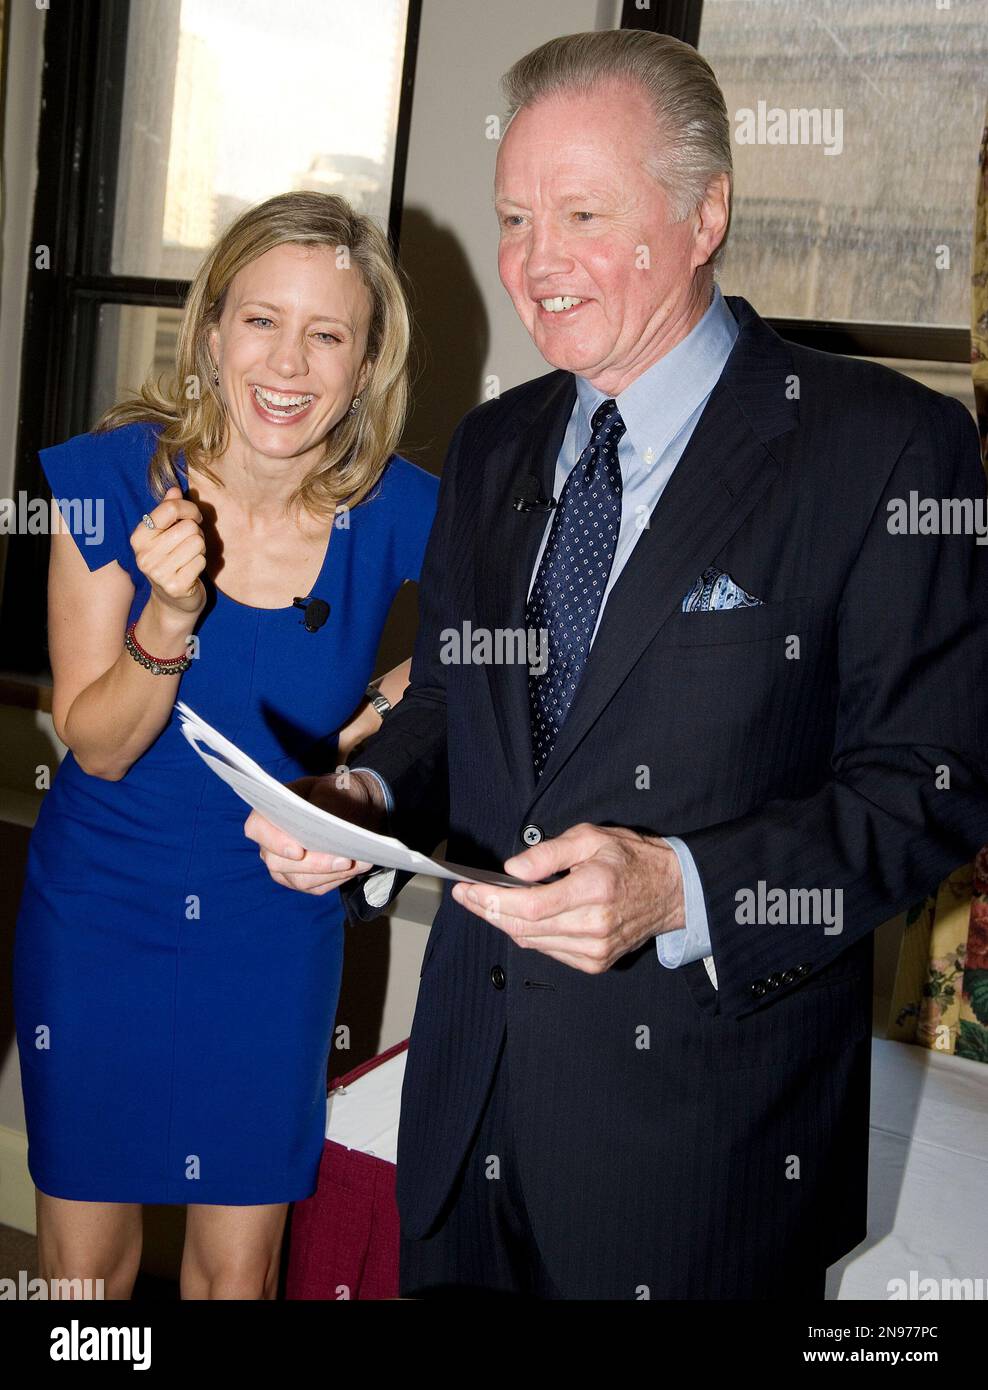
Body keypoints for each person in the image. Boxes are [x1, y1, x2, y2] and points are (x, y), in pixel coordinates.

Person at [247, 32, 988, 1299]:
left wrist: (682, 889)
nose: (535, 263)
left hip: (705, 1168)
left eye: (583, 213)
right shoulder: (490, 446)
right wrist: (364, 804)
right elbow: (450, 706)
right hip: (463, 1123)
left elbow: (930, 784)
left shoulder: (885, 450)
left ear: (704, 215)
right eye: (517, 215)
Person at [13, 190, 438, 1299]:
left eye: (328, 333)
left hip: (273, 919)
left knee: (233, 1278)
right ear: (210, 333)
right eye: (261, 320)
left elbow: (508, 639)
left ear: (365, 361)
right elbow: (95, 745)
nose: (288, 361)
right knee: (82, 1275)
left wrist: (374, 718)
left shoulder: (397, 508)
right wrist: (166, 619)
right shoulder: (112, 480)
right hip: (100, 910)